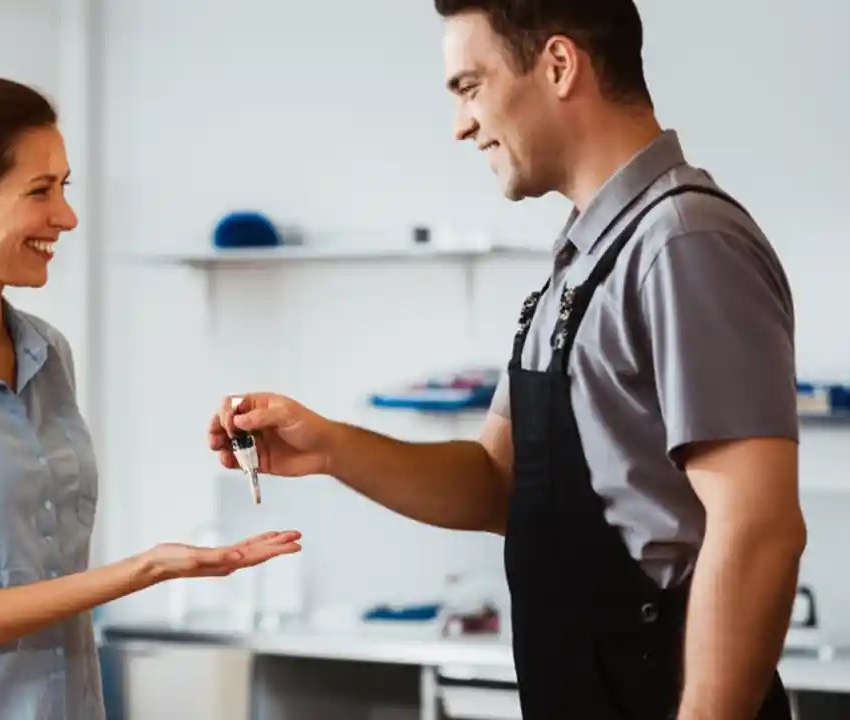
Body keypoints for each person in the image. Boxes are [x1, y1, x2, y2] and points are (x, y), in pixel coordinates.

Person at [209, 2, 804, 718]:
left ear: (558, 65)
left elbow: (758, 526)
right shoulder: (579, 263)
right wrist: (329, 445)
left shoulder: (682, 242)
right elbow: (498, 482)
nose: (461, 124)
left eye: (469, 86)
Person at [0, 76, 302, 720]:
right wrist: (146, 570)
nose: (65, 217)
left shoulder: (46, 353)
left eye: (64, 188)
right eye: (40, 191)